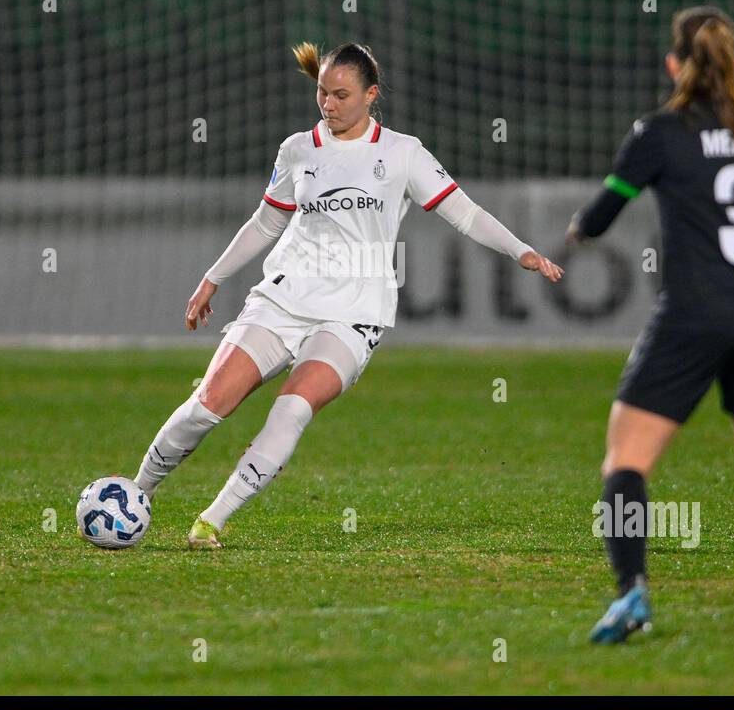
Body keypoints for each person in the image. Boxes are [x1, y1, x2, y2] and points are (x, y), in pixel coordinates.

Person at [133, 41, 563, 548]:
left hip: (353, 315)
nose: (328, 105)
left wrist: (521, 252)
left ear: (370, 95)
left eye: (340, 95)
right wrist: (213, 277)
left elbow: (464, 213)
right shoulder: (298, 149)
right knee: (209, 403)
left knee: (292, 409)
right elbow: (268, 220)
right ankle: (136, 496)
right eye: (322, 93)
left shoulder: (402, 153)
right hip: (284, 299)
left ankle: (212, 519)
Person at [566, 6, 734, 643]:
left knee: (626, 458)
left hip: (692, 314)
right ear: (731, 62)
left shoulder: (659, 132)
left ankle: (631, 596)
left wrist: (578, 229)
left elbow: (600, 218)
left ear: (674, 65)